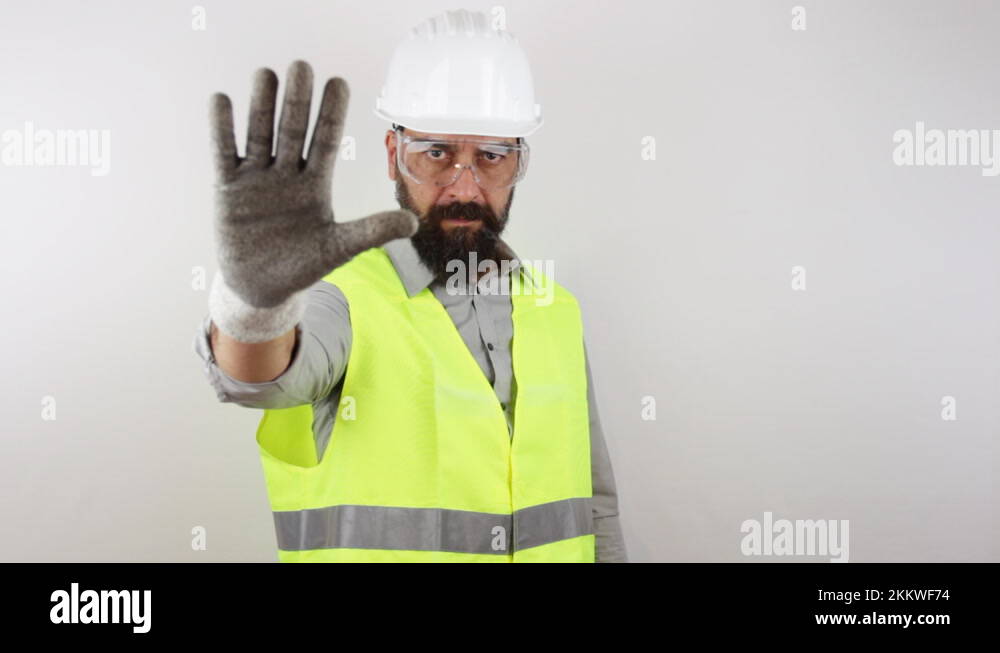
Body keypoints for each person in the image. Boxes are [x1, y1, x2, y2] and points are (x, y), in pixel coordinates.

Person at [192, 9, 627, 562]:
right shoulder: (340, 299)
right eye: (437, 153)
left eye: (492, 156)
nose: (463, 186)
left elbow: (594, 502)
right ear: (395, 155)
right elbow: (259, 380)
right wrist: (257, 302)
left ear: (519, 162)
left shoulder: (555, 310)